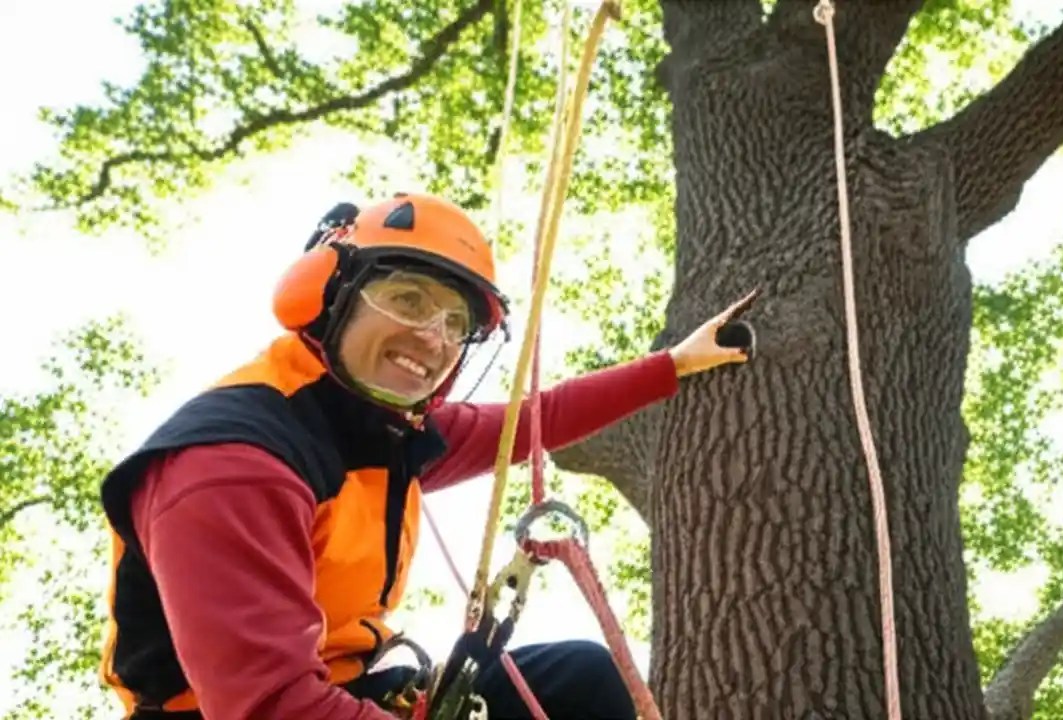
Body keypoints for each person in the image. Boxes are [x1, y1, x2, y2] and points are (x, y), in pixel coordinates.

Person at [96, 192, 756, 720]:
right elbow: (272, 707)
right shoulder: (235, 461)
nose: (434, 339)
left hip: (355, 690)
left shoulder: (384, 431)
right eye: (408, 298)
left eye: (456, 323)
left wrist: (675, 365)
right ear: (327, 296)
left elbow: (539, 418)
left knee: (581, 681)